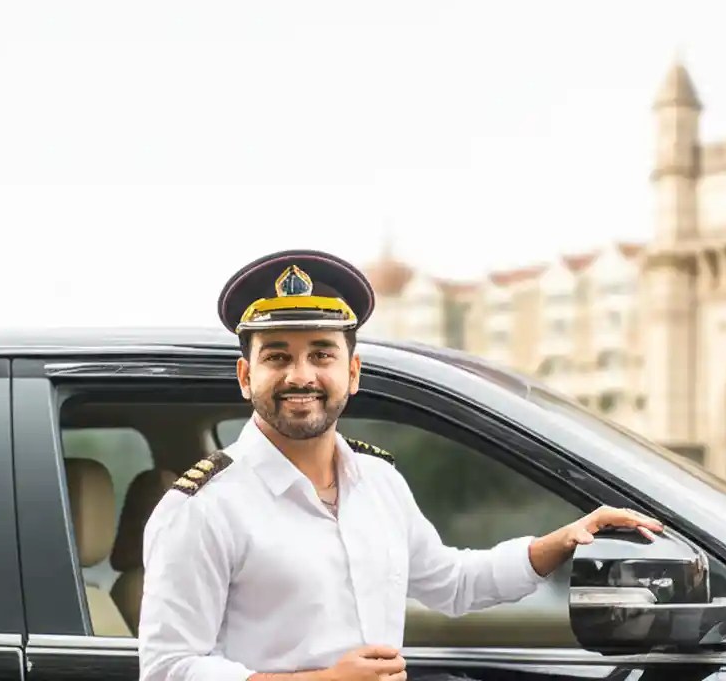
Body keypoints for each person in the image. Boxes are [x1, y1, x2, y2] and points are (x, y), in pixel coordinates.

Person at [136, 249, 662, 681]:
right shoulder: (202, 509)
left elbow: (452, 583)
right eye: (277, 356)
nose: (301, 375)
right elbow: (167, 670)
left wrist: (563, 540)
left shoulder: (379, 483)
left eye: (321, 354)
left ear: (353, 372)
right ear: (246, 376)